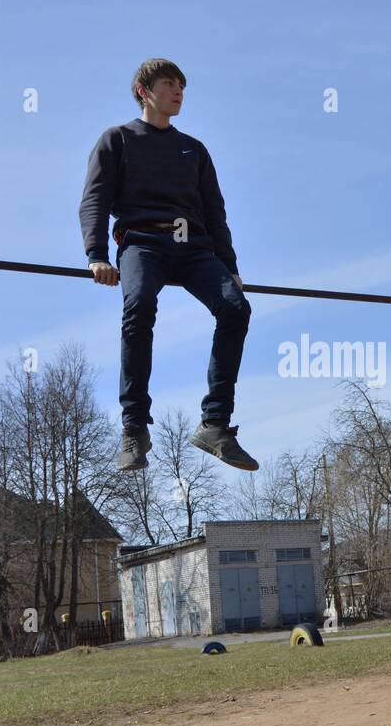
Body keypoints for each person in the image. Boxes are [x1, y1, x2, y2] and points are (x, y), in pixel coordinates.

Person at [79, 58, 257, 471]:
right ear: (144, 91)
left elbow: (215, 212)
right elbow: (95, 200)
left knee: (236, 309)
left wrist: (229, 265)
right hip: (144, 243)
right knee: (138, 307)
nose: (178, 92)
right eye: (169, 84)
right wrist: (96, 256)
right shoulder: (118, 139)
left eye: (182, 86)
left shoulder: (194, 149)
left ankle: (215, 423)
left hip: (194, 247)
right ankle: (134, 428)